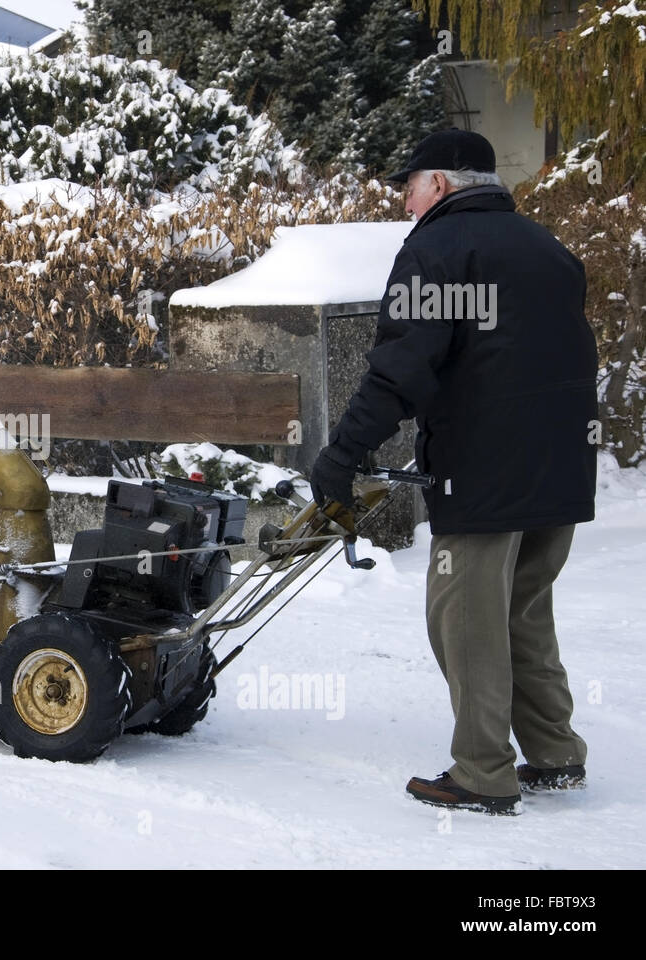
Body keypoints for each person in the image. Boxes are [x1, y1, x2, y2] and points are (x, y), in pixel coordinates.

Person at [309, 129, 598, 815]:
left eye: (409, 186)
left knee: (464, 621)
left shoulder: (437, 250)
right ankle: (555, 753)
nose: (405, 201)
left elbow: (398, 371)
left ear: (440, 183)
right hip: (558, 469)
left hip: (484, 475)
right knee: (523, 612)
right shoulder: (548, 249)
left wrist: (342, 453)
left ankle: (482, 773)